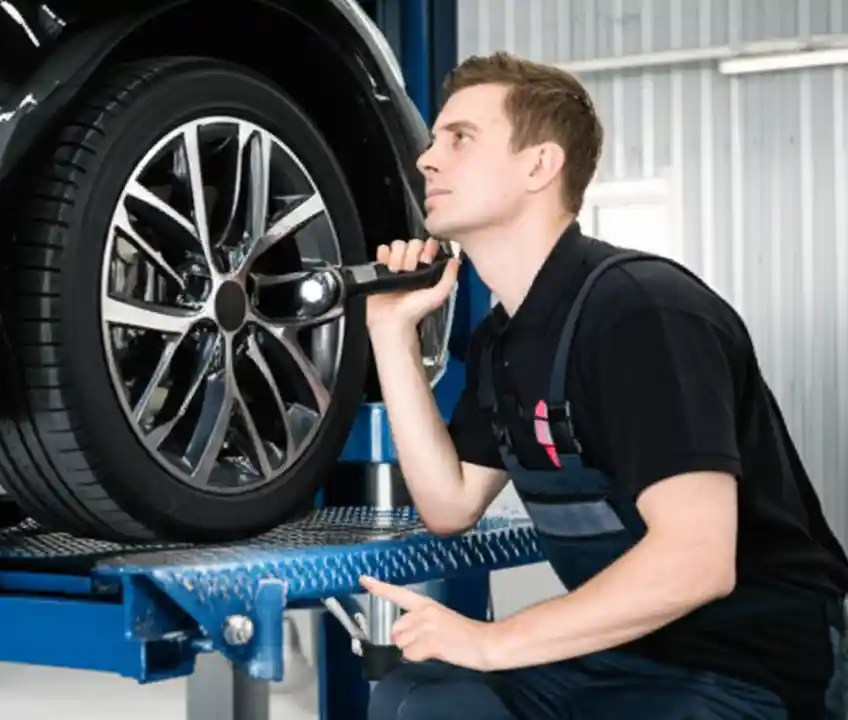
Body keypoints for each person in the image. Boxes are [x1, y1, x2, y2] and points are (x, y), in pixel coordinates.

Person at [359, 50, 848, 719]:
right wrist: (390, 332)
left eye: (460, 139)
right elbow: (448, 504)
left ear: (540, 165)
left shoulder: (641, 312)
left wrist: (494, 642)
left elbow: (698, 561)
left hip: (745, 672)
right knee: (415, 697)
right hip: (623, 657)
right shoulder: (505, 339)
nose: (426, 159)